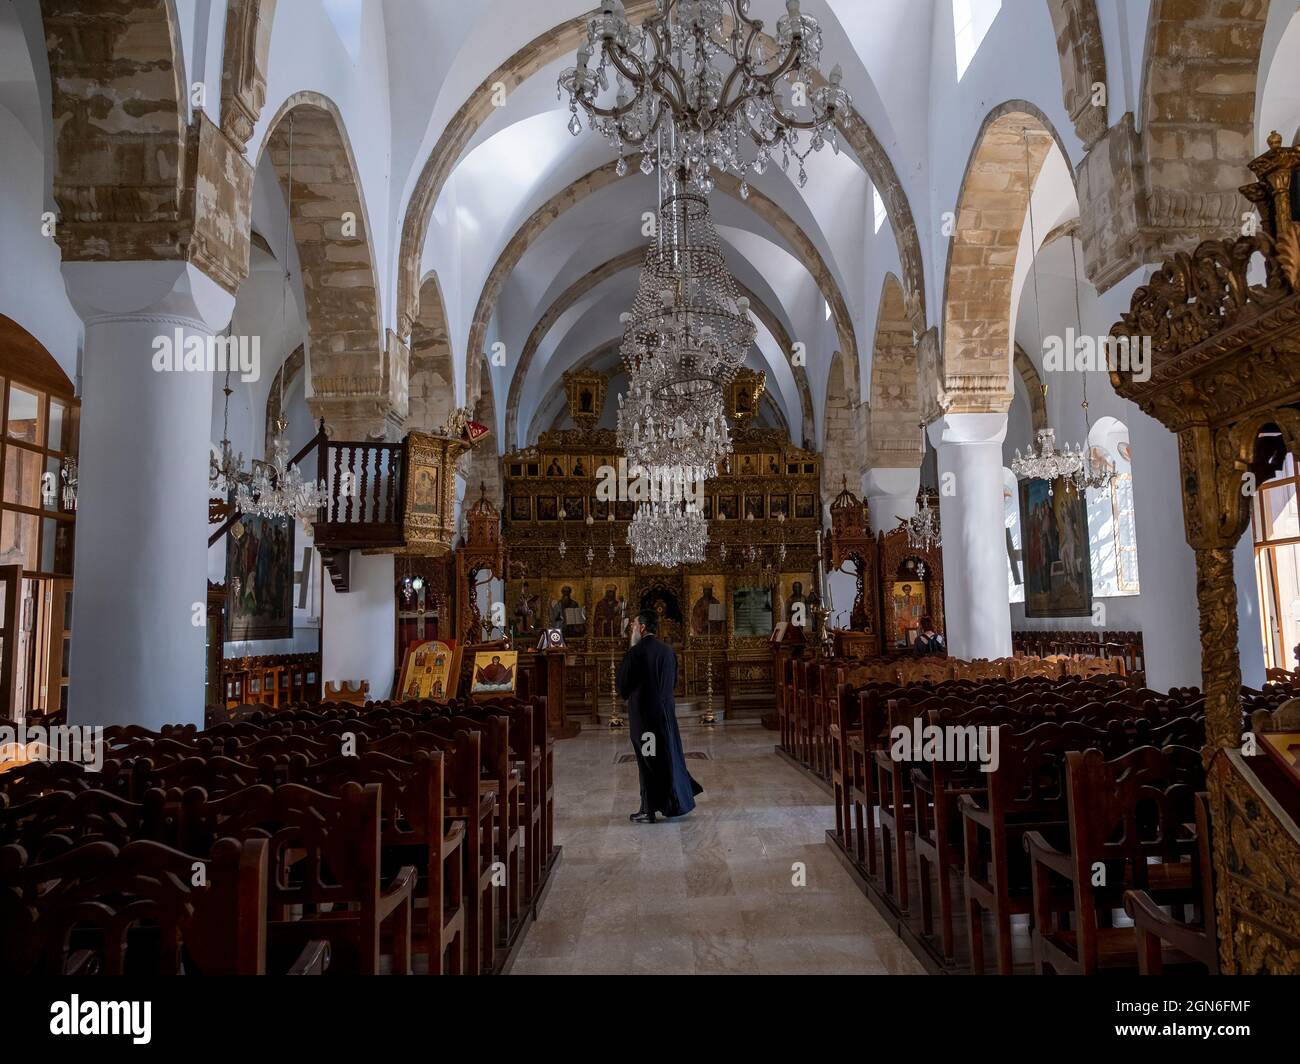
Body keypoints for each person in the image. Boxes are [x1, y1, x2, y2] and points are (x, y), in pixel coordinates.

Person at [616, 610, 703, 823]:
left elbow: (622, 687)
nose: (632, 628)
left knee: (648, 761)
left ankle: (648, 809)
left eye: (634, 625)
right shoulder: (668, 651)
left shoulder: (636, 652)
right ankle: (672, 801)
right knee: (666, 757)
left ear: (643, 627)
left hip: (645, 720)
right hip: (665, 717)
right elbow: (673, 683)